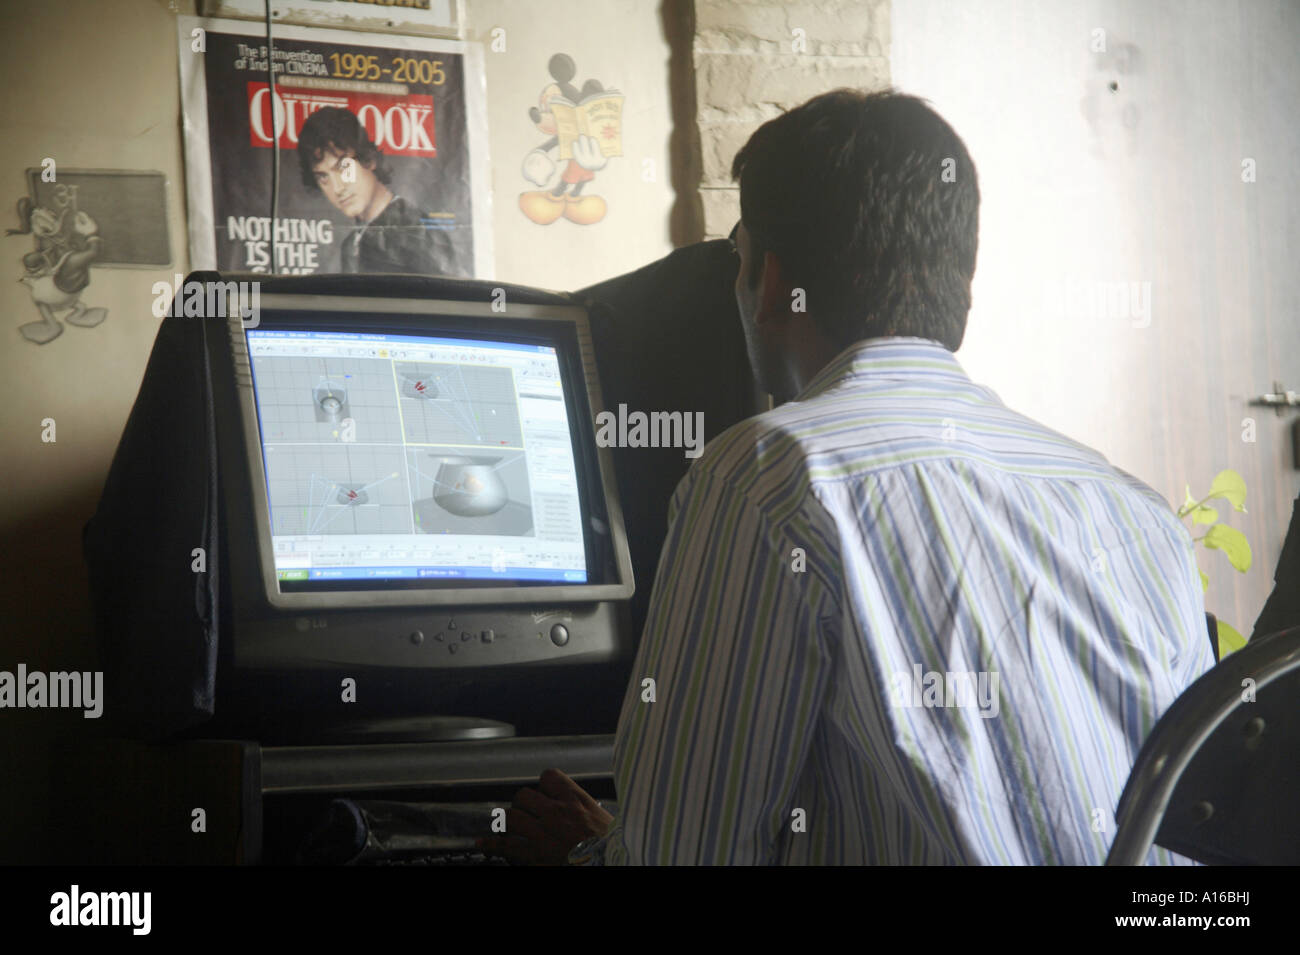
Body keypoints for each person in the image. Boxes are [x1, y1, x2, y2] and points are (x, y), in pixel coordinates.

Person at [483, 88, 1215, 865]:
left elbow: (686, 856)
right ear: (959, 284)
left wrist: (588, 852)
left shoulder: (766, 476)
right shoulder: (1135, 509)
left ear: (768, 283)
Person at [296, 106, 465, 276]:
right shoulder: (351, 245)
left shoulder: (419, 234)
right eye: (323, 177)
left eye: (343, 168)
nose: (337, 188)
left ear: (369, 159)